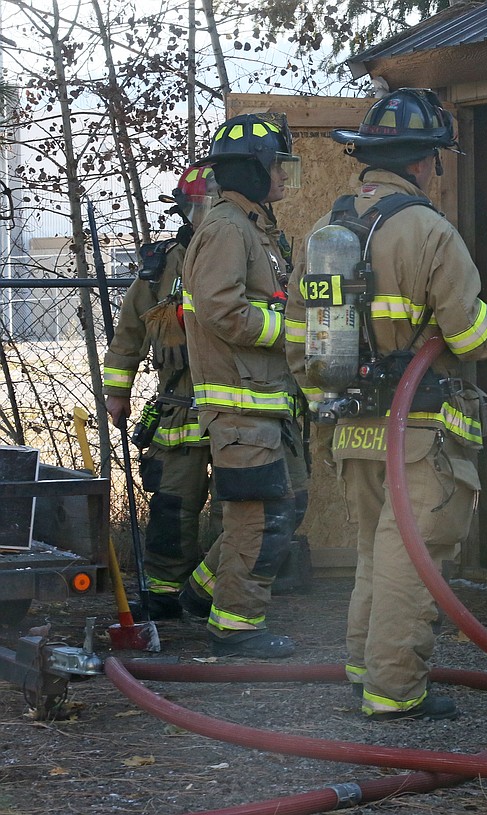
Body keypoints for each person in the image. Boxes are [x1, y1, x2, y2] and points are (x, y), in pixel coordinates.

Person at [286, 89, 487, 719]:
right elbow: (471, 336)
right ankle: (395, 690)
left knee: (373, 551)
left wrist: (325, 404)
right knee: (411, 557)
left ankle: (365, 667)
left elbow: (300, 338)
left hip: (354, 426)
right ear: (422, 162)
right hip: (420, 430)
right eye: (436, 160)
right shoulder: (428, 231)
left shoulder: (327, 232)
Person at [175, 113, 309, 658]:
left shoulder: (253, 227)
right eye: (277, 166)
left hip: (266, 403)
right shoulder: (227, 229)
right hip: (240, 406)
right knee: (260, 517)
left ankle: (201, 592)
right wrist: (293, 331)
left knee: (288, 505)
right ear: (254, 169)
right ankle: (235, 628)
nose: (282, 177)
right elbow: (221, 310)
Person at [102, 165, 218, 620]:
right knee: (172, 506)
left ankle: (216, 593)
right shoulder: (161, 267)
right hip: (178, 407)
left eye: (211, 205)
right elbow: (129, 333)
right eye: (197, 206)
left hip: (241, 403)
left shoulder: (254, 252)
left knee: (239, 509)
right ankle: (165, 594)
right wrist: (118, 392)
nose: (203, 215)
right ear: (184, 210)